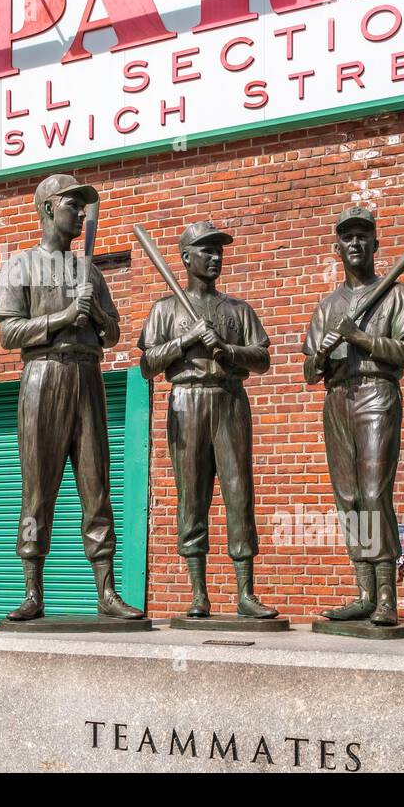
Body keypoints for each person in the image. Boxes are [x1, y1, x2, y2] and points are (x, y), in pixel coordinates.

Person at [0, 173, 144, 622]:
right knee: (38, 490)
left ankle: (107, 591)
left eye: (83, 206)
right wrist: (61, 317)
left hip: (87, 376)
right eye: (72, 205)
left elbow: (113, 333)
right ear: (47, 209)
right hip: (42, 375)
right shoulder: (21, 265)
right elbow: (8, 333)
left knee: (96, 487)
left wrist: (93, 310)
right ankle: (32, 592)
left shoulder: (89, 271)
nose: (81, 213)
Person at [137, 221, 275, 619]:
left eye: (219, 251)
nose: (215, 258)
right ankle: (198, 593)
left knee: (239, 494)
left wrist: (228, 351)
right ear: (186, 258)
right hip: (186, 401)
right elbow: (147, 365)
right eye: (206, 251)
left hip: (229, 399)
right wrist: (186, 340)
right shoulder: (165, 310)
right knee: (191, 496)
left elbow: (262, 358)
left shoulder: (237, 310)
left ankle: (245, 593)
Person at [303, 206, 404, 626]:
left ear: (375, 243)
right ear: (336, 247)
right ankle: (363, 592)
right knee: (350, 498)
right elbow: (308, 373)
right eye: (347, 237)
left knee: (375, 494)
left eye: (363, 236)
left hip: (377, 392)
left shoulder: (396, 294)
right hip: (337, 396)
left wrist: (362, 338)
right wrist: (322, 352)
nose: (355, 243)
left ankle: (387, 595)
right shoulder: (328, 305)